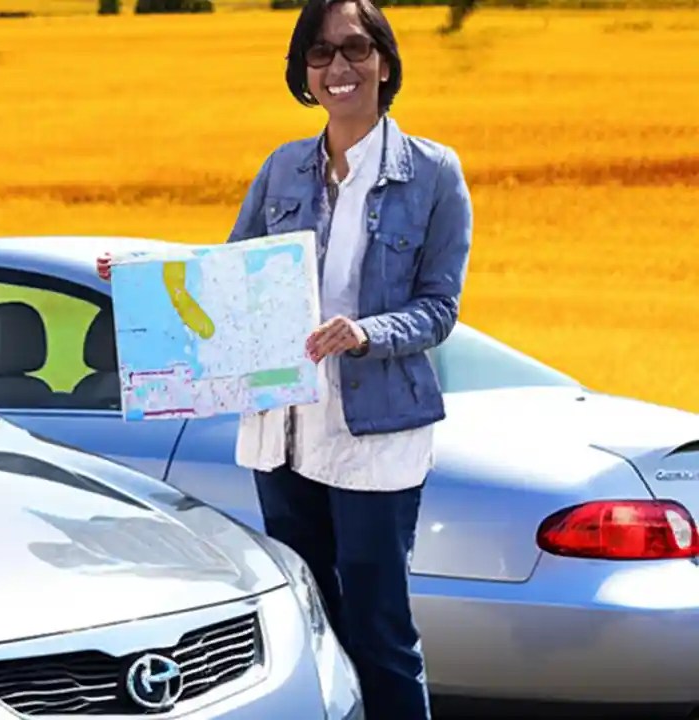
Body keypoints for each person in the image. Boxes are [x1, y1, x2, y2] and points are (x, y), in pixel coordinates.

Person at [96, 1, 473, 717]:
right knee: (311, 624)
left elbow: (439, 307)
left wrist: (364, 333)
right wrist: (143, 275)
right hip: (284, 433)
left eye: (355, 48)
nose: (339, 67)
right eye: (320, 53)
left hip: (375, 439)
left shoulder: (432, 173)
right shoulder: (282, 168)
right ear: (304, 72)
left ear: (385, 62)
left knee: (379, 629)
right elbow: (227, 276)